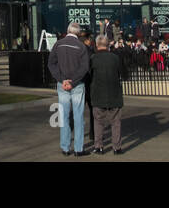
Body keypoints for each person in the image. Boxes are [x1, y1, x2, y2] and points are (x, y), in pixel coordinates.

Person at [48, 23, 91, 156]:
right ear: (78, 34)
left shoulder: (58, 44)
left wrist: (62, 79)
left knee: (64, 116)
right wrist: (73, 81)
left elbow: (51, 64)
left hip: (63, 84)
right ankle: (78, 148)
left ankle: (65, 147)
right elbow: (84, 67)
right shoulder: (81, 46)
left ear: (67, 31)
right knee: (78, 116)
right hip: (76, 84)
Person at [89, 34, 124, 154]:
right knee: (115, 122)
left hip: (98, 93)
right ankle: (117, 147)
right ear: (108, 44)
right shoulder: (115, 58)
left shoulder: (93, 58)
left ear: (97, 45)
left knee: (98, 121)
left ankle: (98, 146)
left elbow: (89, 75)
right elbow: (124, 74)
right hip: (114, 93)